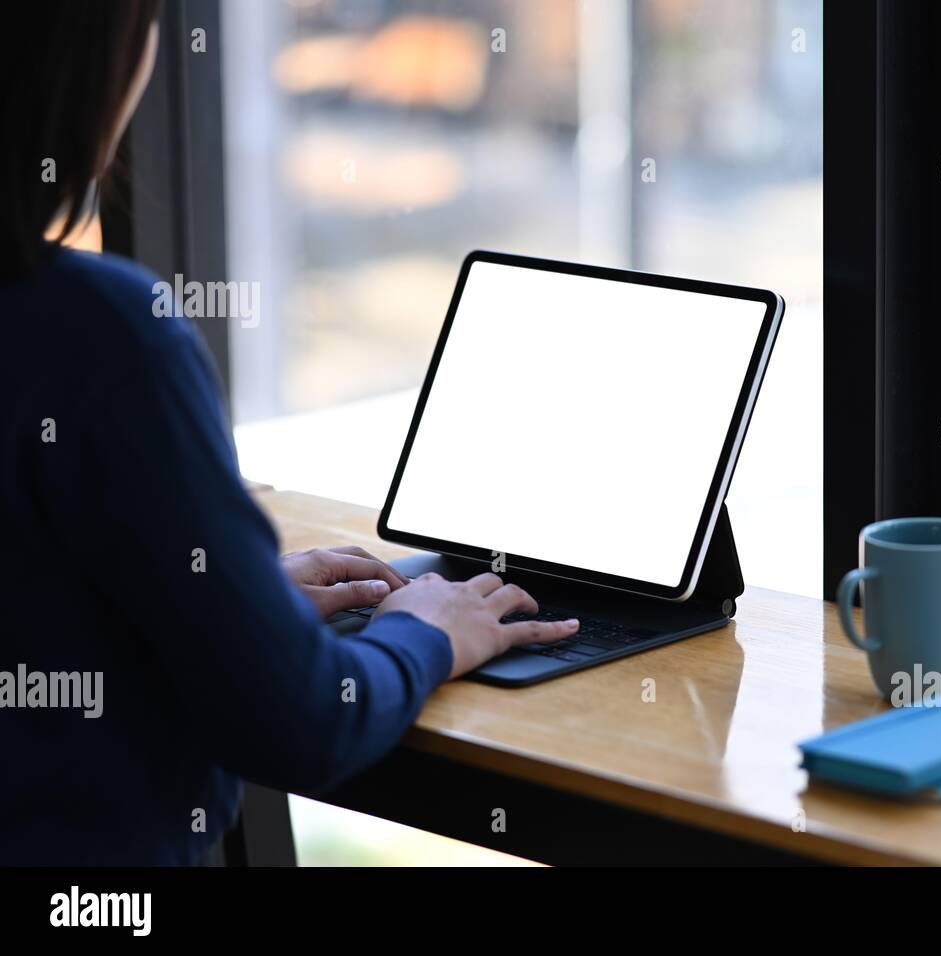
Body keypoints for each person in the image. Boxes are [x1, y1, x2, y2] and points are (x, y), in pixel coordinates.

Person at [0, 1, 577, 865]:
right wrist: (427, 632)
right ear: (83, 64)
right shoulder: (100, 332)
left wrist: (228, 602)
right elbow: (304, 723)